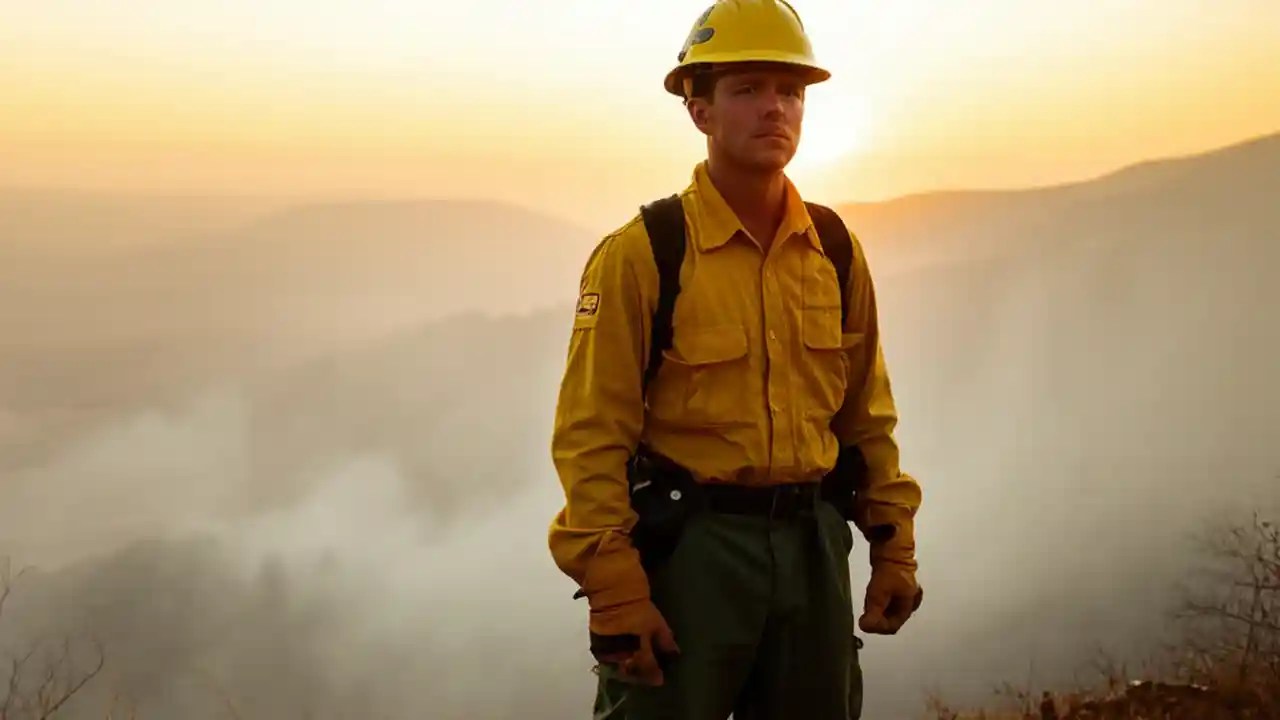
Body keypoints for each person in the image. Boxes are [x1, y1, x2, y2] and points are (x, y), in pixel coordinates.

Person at [547, 1, 923, 718]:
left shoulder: (834, 250)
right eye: (747, 89)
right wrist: (615, 588)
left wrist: (893, 547)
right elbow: (591, 433)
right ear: (700, 110)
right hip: (691, 554)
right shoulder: (644, 253)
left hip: (814, 549)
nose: (775, 108)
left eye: (791, 90)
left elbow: (867, 418)